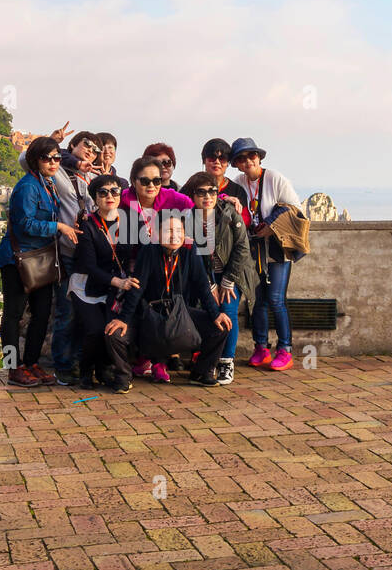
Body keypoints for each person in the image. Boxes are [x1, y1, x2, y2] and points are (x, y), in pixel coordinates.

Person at [0, 135, 81, 387]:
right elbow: (24, 224)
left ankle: (31, 363)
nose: (53, 162)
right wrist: (59, 227)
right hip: (17, 259)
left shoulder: (49, 184)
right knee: (13, 314)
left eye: (56, 158)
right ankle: (13, 368)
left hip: (41, 259)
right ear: (35, 160)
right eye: (47, 158)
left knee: (42, 313)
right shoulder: (27, 187)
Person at [107, 214, 233, 387]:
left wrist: (215, 314)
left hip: (180, 313)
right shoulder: (149, 250)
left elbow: (203, 287)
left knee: (221, 326)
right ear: (157, 234)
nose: (174, 235)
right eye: (168, 231)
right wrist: (123, 319)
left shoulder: (190, 250)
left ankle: (201, 373)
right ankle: (123, 376)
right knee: (114, 333)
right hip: (149, 315)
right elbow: (137, 289)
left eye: (179, 231)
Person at [231, 137, 305, 372]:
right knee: (257, 301)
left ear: (259, 157)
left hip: (275, 248)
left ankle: (285, 350)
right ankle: (261, 347)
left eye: (251, 155)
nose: (248, 161)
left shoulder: (274, 178)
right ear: (237, 164)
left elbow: (294, 208)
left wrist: (270, 224)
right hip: (253, 249)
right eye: (242, 158)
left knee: (275, 299)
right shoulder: (239, 183)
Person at [120, 156, 193, 380]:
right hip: (135, 265)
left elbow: (194, 204)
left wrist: (186, 234)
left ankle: (159, 361)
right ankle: (144, 359)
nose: (151, 186)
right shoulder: (124, 199)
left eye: (157, 180)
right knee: (140, 308)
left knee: (162, 308)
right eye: (145, 180)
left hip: (163, 265)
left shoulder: (171, 197)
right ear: (133, 181)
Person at [180, 171, 255, 385]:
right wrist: (210, 284)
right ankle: (207, 363)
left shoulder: (229, 213)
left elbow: (242, 248)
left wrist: (227, 281)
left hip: (233, 273)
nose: (207, 197)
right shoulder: (188, 219)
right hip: (205, 276)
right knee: (208, 314)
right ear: (193, 196)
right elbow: (193, 256)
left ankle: (226, 361)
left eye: (212, 191)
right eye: (201, 192)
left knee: (228, 311)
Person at [71, 173, 139, 393]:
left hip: (114, 288)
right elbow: (89, 266)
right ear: (95, 198)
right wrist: (119, 282)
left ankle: (103, 370)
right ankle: (85, 371)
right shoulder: (88, 225)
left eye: (114, 191)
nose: (110, 196)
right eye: (103, 192)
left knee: (110, 330)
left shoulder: (129, 220)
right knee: (94, 330)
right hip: (86, 286)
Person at [200, 138, 251, 226]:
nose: (217, 162)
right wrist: (223, 200)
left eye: (222, 158)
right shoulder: (194, 185)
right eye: (212, 158)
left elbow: (245, 221)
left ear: (228, 163)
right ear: (204, 161)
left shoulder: (237, 190)